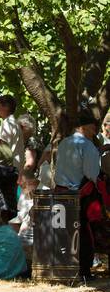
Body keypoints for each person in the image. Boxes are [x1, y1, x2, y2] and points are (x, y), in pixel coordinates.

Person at [54, 110, 103, 280]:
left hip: (62, 193)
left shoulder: (63, 143)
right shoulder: (87, 145)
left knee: (65, 232)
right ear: (84, 127)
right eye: (93, 127)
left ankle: (66, 267)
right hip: (80, 194)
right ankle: (83, 270)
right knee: (83, 232)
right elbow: (92, 173)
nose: (95, 131)